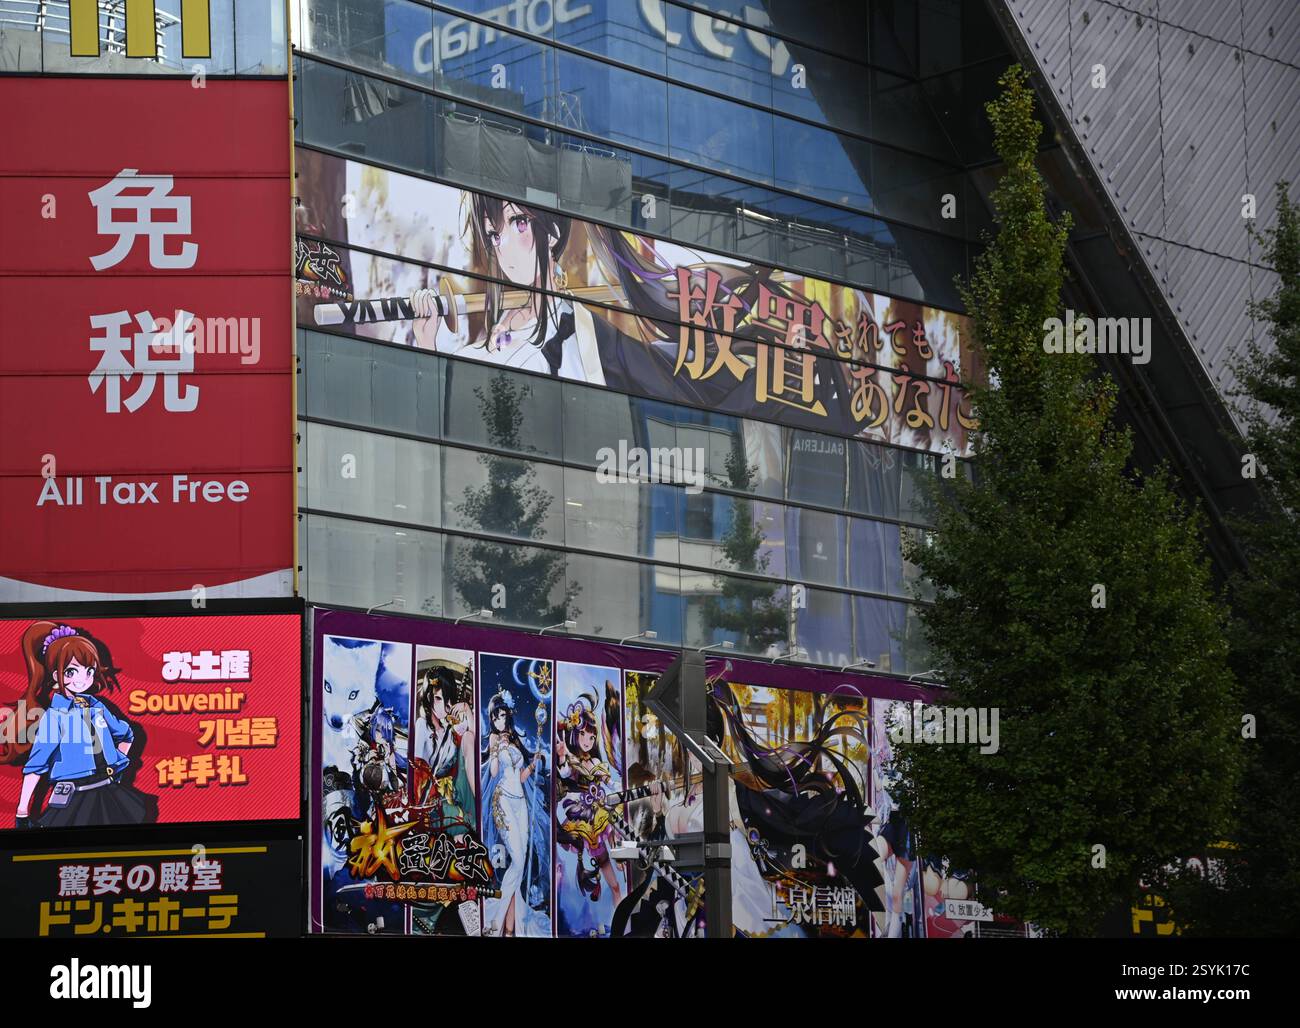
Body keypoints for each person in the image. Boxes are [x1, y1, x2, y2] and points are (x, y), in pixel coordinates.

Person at [411, 196, 604, 384]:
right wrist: (427, 344)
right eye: (495, 235)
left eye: (519, 223)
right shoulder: (505, 317)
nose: (503, 247)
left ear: (552, 234)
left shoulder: (569, 333)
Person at [14, 622, 155, 828]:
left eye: (89, 671)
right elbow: (37, 765)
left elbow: (126, 734)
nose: (83, 678)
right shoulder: (55, 716)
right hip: (74, 798)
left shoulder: (97, 706)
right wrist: (22, 811)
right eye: (71, 671)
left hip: (109, 791)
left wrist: (117, 761)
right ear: (56, 675)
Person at [481, 690, 548, 936]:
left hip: (520, 802)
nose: (500, 721)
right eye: (495, 717)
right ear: (492, 719)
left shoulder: (514, 740)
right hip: (503, 802)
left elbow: (520, 777)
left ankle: (508, 926)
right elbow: (494, 771)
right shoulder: (493, 740)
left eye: (502, 716)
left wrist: (533, 763)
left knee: (519, 866)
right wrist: (497, 749)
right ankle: (496, 921)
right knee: (518, 861)